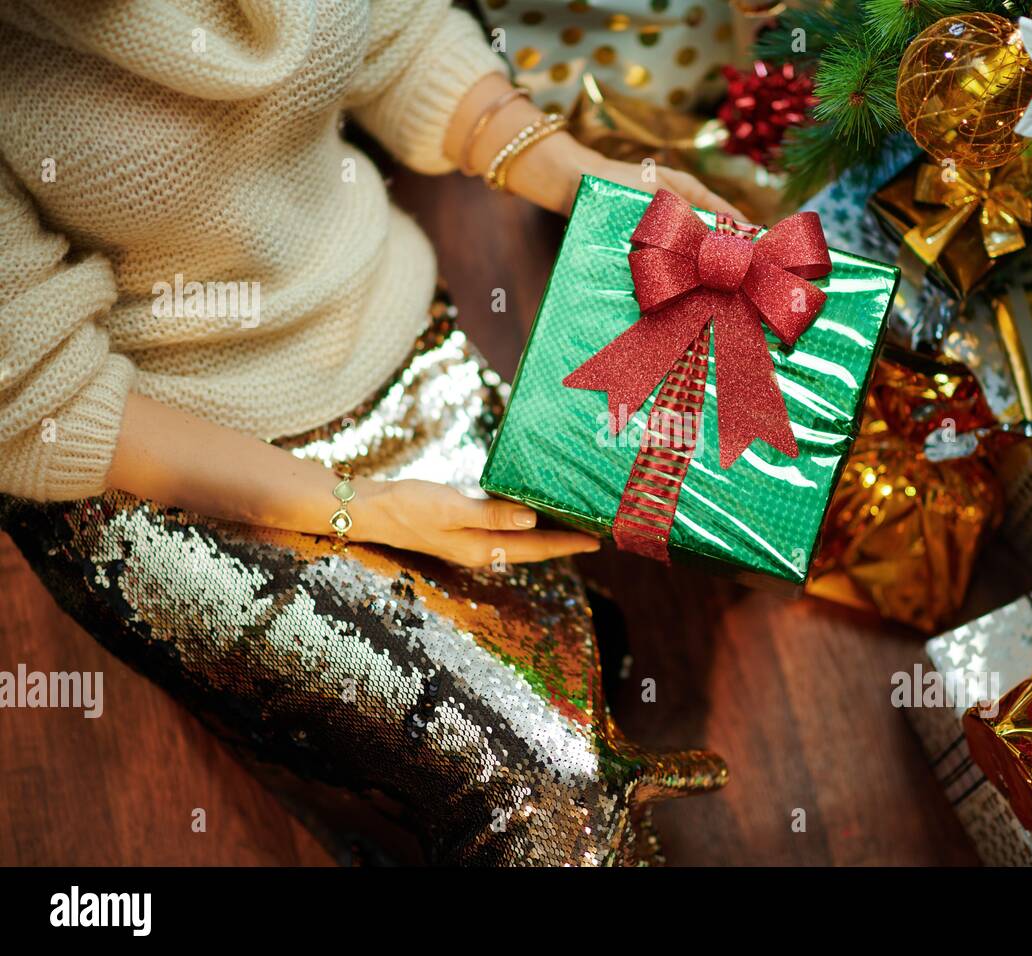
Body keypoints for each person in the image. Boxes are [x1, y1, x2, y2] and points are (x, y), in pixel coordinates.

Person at [0, 0, 731, 866]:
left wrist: (581, 178)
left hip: (381, 335)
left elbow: (400, 38)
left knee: (556, 664)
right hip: (161, 471)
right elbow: (45, 398)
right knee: (549, 810)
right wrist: (360, 510)